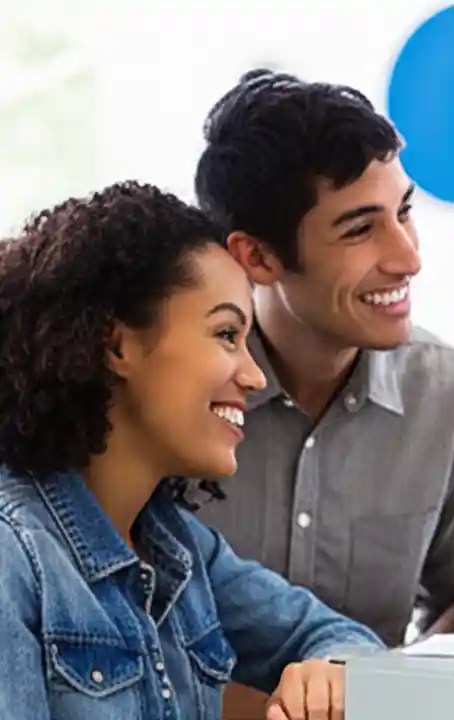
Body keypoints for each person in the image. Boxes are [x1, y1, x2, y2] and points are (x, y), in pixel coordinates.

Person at [191, 68, 454, 698]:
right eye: (360, 229)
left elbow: (450, 627)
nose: (408, 257)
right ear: (257, 257)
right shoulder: (180, 399)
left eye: (405, 212)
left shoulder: (449, 394)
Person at [0, 181, 385, 720]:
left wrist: (328, 673)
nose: (253, 376)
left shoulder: (176, 546)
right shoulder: (13, 557)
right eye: (226, 334)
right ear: (118, 345)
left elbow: (339, 638)